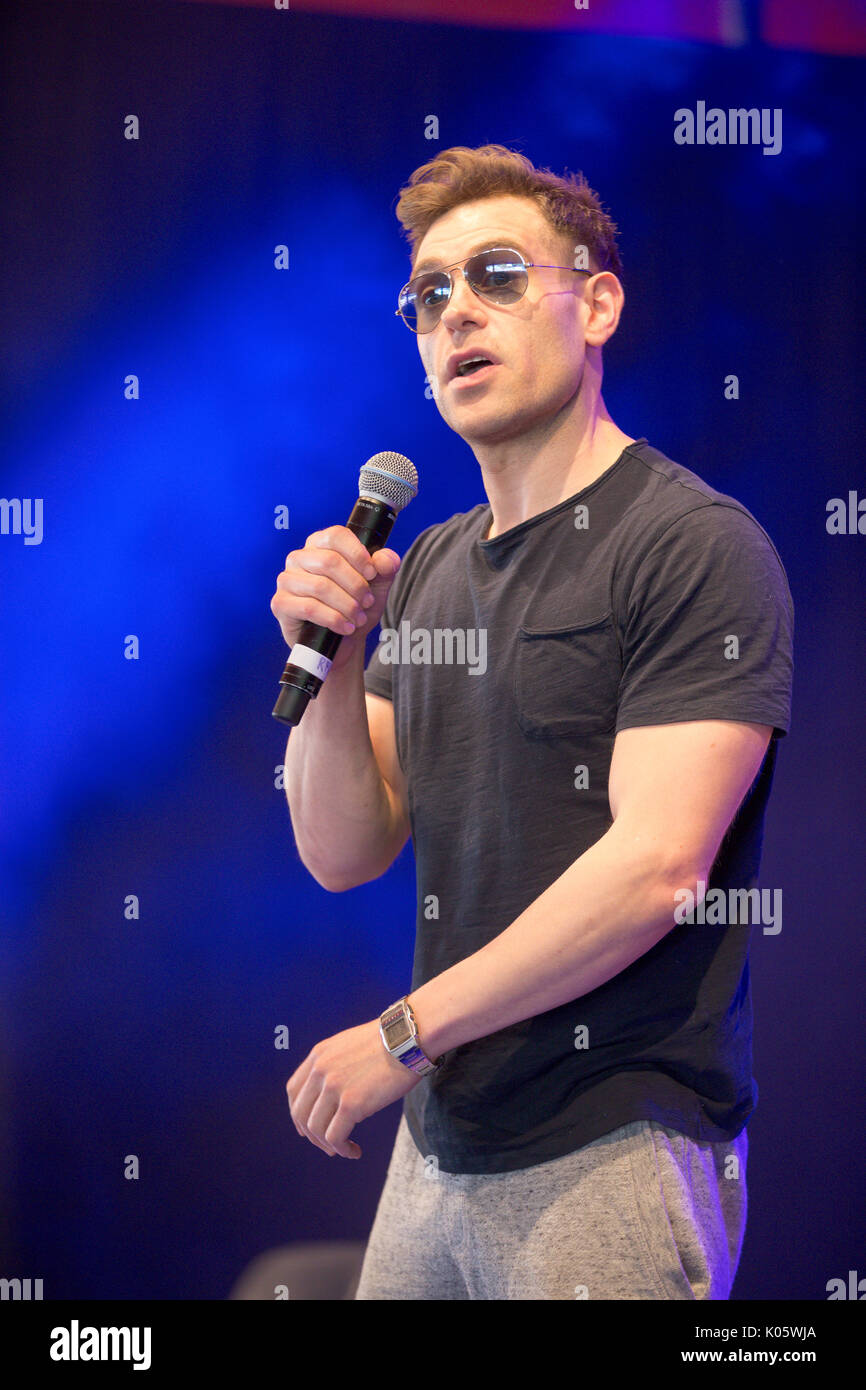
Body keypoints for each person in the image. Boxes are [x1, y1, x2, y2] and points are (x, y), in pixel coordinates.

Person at [270, 144, 794, 1300]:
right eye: (431, 294)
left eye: (499, 275)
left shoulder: (689, 546)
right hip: (442, 1143)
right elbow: (340, 848)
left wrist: (402, 1034)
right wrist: (336, 644)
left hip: (608, 1145)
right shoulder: (430, 568)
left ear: (596, 301)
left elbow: (656, 870)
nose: (458, 312)